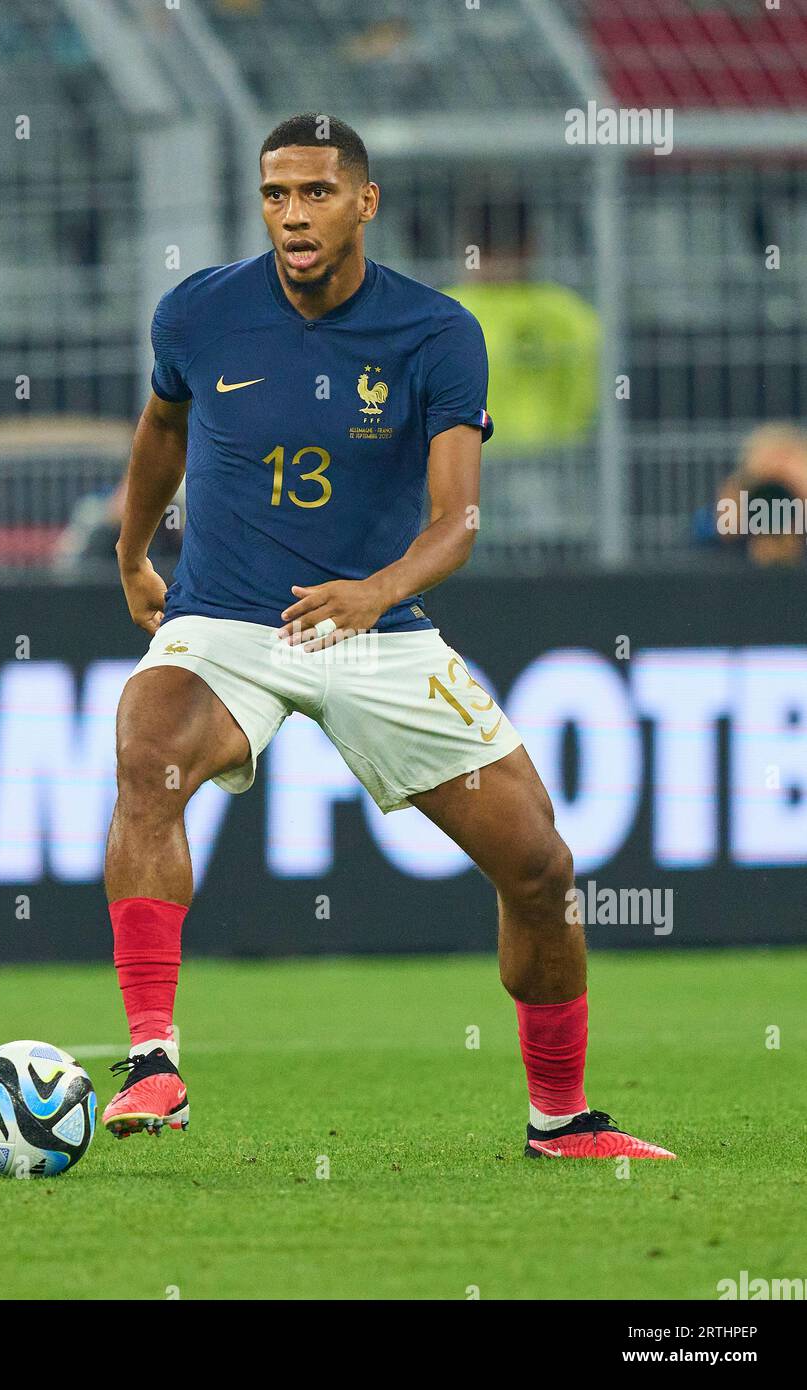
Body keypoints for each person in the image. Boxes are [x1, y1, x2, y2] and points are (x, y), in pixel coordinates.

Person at [100, 114, 674, 1160]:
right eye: (275, 194)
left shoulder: (436, 331)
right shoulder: (197, 313)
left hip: (376, 628)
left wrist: (374, 591)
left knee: (540, 866)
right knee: (148, 747)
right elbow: (163, 429)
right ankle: (152, 1063)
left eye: (315, 192)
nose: (292, 215)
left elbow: (456, 517)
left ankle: (562, 1119)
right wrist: (134, 549)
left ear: (364, 202)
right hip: (226, 619)